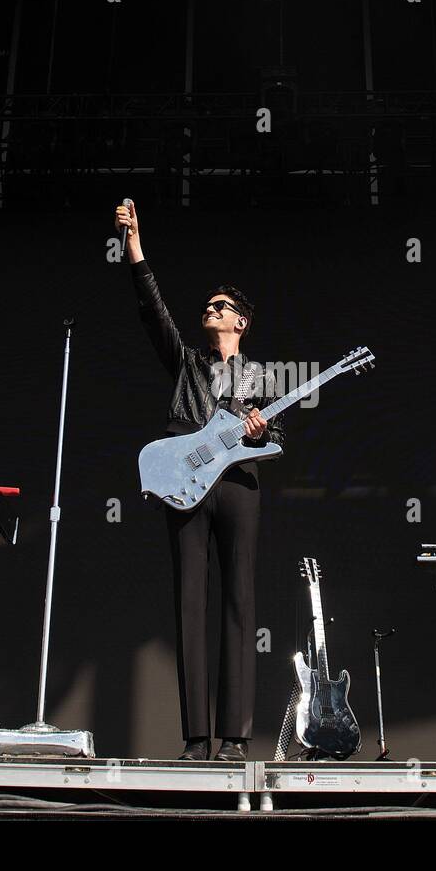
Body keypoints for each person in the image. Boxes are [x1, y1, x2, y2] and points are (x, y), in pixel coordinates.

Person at [115, 200, 284, 762]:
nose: (210, 309)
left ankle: (235, 737)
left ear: (241, 321)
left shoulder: (262, 374)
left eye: (222, 306)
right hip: (185, 483)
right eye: (208, 304)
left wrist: (259, 429)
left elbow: (277, 432)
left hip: (238, 485)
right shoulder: (186, 362)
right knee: (190, 600)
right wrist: (135, 246)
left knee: (240, 600)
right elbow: (152, 312)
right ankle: (194, 737)